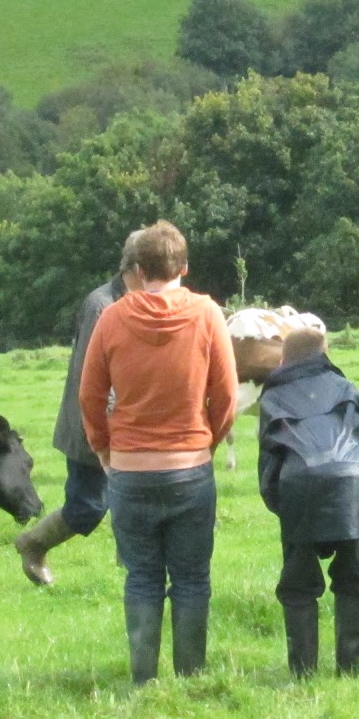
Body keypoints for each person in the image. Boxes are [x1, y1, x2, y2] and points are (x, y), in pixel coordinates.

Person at [80, 221, 238, 684]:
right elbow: (226, 393)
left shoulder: (111, 318)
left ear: (138, 268)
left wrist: (104, 451)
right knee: (192, 579)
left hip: (129, 470)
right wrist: (205, 441)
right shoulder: (208, 315)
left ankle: (143, 680)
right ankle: (192, 677)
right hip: (190, 466)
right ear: (184, 267)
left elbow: (90, 396)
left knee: (142, 578)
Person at [14, 228, 142, 586]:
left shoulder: (135, 302)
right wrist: (110, 427)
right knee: (88, 507)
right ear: (136, 267)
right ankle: (31, 544)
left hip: (121, 424)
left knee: (128, 499)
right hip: (92, 425)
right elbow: (94, 375)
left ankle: (132, 578)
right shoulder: (101, 305)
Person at [258, 327, 359, 679]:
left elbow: (268, 470)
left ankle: (303, 673)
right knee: (355, 578)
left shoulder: (272, 399)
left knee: (298, 586)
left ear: (284, 359)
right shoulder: (347, 389)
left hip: (299, 488)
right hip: (353, 484)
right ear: (325, 353)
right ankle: (351, 667)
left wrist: (283, 510)